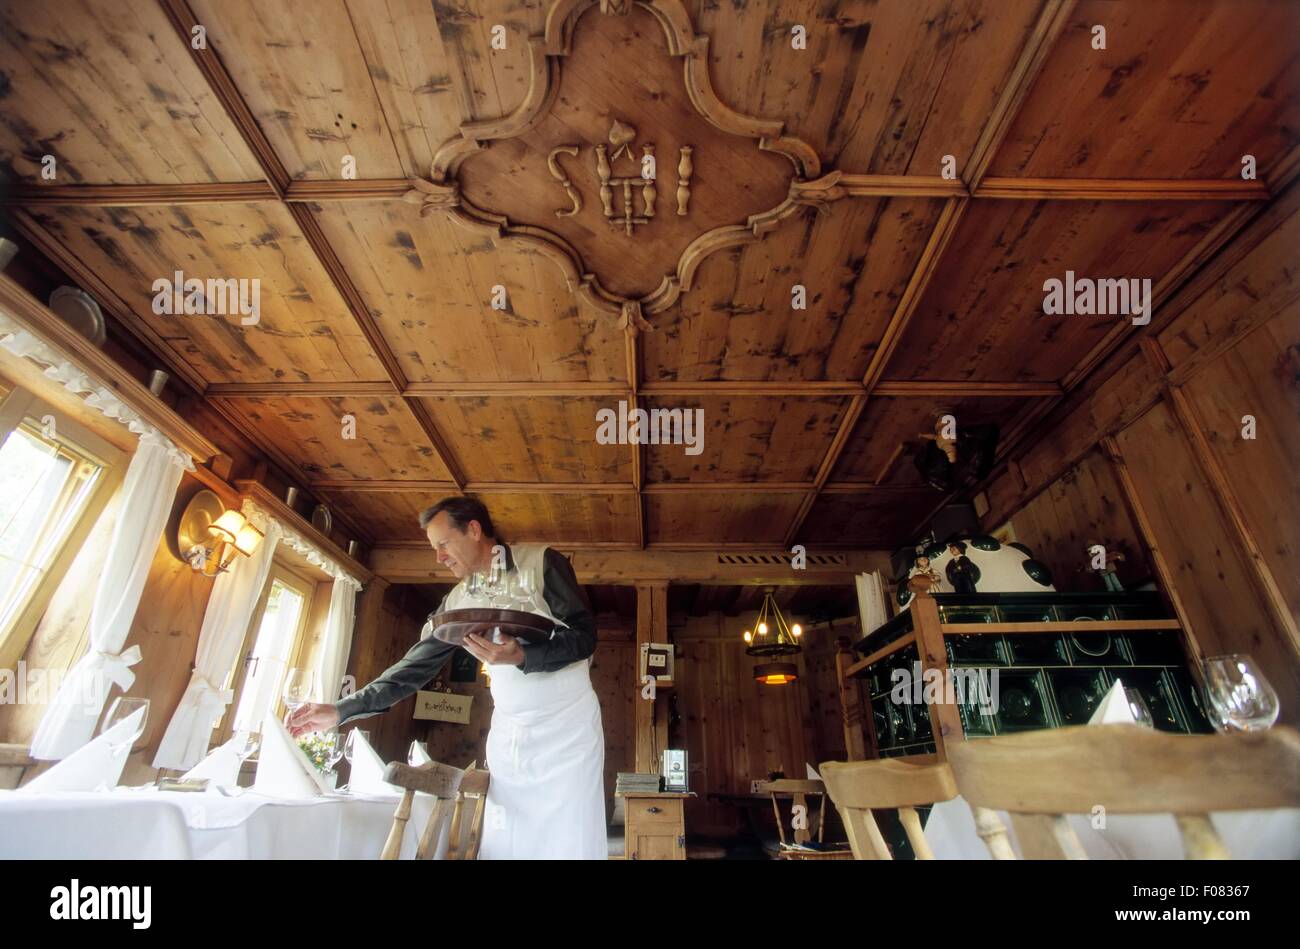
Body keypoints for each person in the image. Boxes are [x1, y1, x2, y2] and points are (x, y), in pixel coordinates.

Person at [286, 497, 606, 859]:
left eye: (443, 544)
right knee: (507, 835)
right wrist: (342, 709)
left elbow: (584, 638)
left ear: (473, 529)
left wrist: (523, 655)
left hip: (569, 731)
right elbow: (413, 668)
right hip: (511, 735)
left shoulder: (542, 562)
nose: (439, 557)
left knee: (568, 835)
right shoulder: (456, 601)